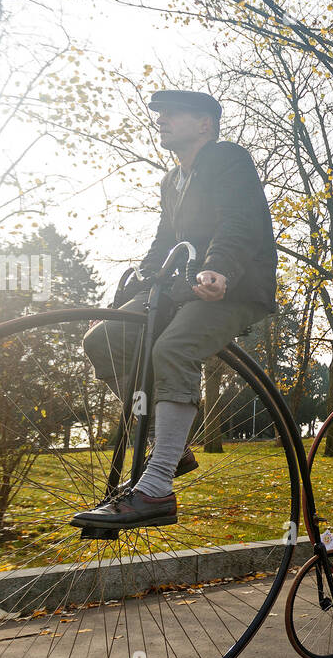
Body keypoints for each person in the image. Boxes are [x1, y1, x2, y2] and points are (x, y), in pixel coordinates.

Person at [73, 90, 278, 528]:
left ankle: (158, 486)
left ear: (204, 123)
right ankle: (169, 445)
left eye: (172, 113)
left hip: (235, 286)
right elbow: (163, 246)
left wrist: (219, 267)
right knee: (104, 338)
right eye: (160, 114)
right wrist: (119, 306)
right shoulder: (172, 180)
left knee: (175, 349)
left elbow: (240, 221)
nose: (161, 119)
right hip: (184, 286)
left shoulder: (229, 159)